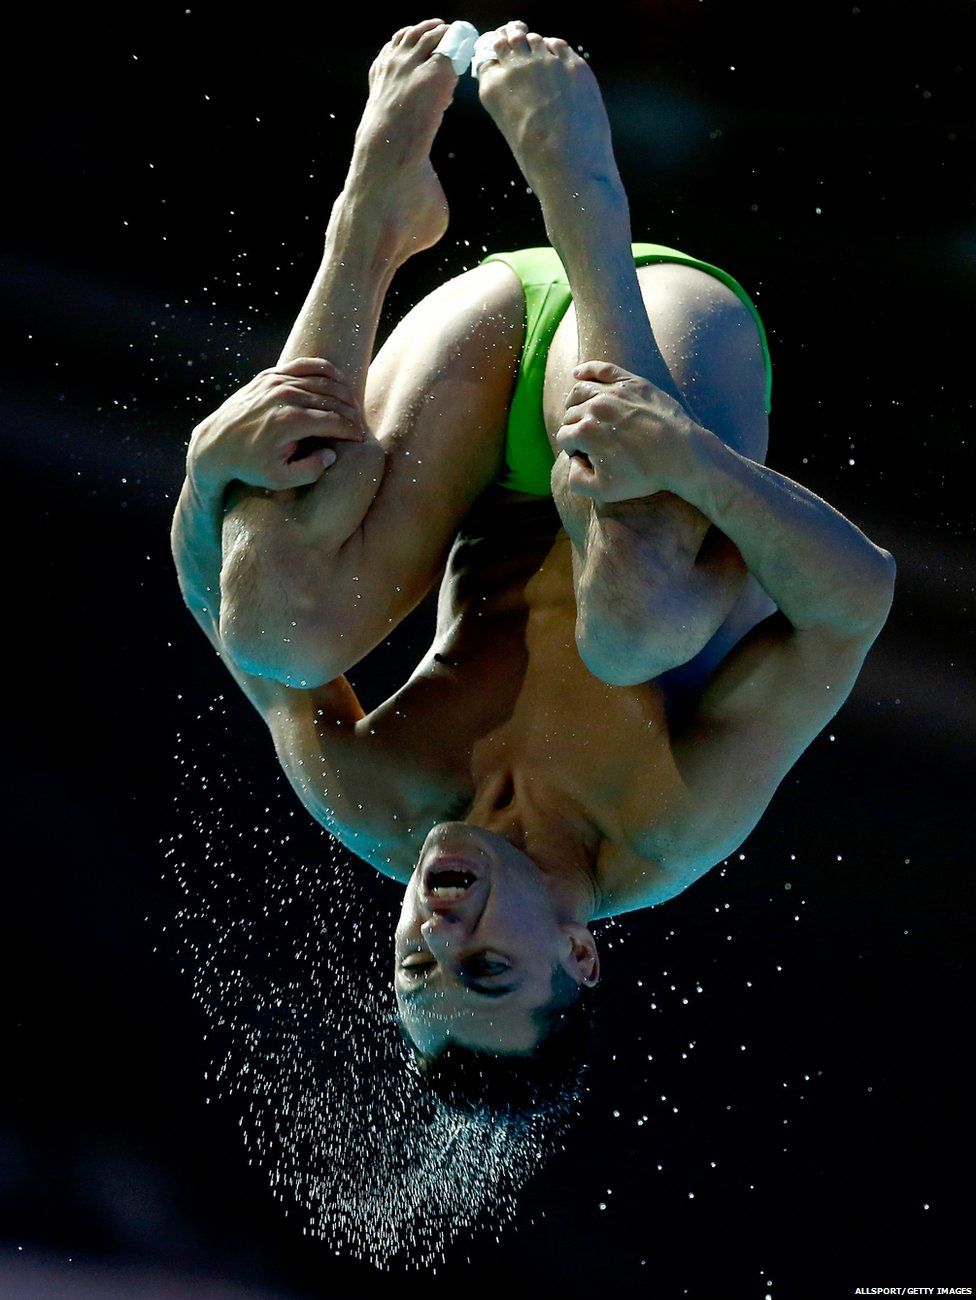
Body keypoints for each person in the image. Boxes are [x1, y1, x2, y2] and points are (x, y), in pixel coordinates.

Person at [171, 20, 895, 1078]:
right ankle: (581, 187)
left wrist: (203, 467)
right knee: (636, 626)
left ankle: (369, 221)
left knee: (282, 627)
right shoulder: (671, 821)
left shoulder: (369, 797)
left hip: (478, 363)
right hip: (650, 338)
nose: (436, 937)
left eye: (415, 972)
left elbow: (223, 608)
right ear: (579, 953)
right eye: (488, 972)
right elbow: (855, 601)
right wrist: (697, 466)